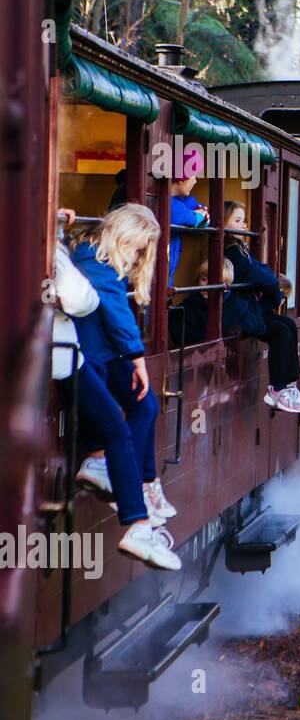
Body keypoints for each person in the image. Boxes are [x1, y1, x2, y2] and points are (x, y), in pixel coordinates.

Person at [64, 205, 180, 570]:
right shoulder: (95, 261)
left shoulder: (98, 260)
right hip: (85, 357)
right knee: (118, 427)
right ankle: (134, 515)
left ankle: (144, 484)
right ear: (123, 236)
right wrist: (137, 358)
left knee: (145, 405)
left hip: (99, 354)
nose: (137, 258)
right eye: (137, 248)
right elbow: (116, 312)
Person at [224, 201, 300, 413]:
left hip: (248, 308)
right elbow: (254, 272)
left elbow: (260, 268)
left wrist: (269, 281)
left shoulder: (240, 248)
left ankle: (289, 385)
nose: (243, 225)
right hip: (238, 312)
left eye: (243, 221)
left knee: (288, 324)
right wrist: (272, 285)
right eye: (237, 220)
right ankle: (277, 389)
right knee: (280, 332)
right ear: (223, 222)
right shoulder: (230, 250)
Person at [169, 174, 210, 286]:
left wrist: (201, 218)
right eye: (193, 176)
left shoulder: (185, 200)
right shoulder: (168, 202)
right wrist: (197, 217)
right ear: (181, 179)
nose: (195, 181)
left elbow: (204, 215)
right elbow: (180, 215)